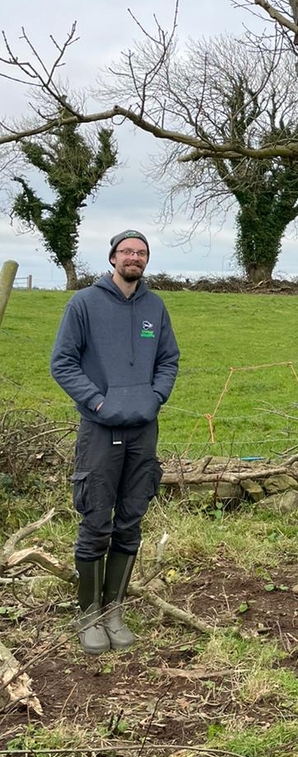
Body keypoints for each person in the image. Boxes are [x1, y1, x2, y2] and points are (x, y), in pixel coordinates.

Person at [50, 230, 180, 655]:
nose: (134, 258)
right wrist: (99, 403)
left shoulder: (154, 307)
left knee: (131, 518)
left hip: (144, 428)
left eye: (141, 253)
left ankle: (114, 611)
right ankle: (88, 614)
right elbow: (63, 363)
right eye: (127, 251)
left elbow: (168, 359)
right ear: (112, 258)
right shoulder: (84, 304)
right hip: (100, 429)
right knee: (95, 520)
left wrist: (155, 397)